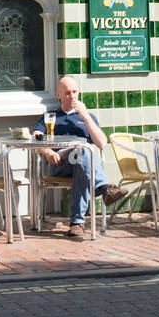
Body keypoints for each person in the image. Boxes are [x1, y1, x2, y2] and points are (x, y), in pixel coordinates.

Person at [32, 76, 127, 236]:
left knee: (83, 156)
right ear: (58, 95)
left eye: (75, 92)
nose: (72, 96)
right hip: (59, 162)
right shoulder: (50, 116)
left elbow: (102, 143)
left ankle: (77, 223)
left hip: (82, 165)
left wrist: (86, 117)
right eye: (67, 93)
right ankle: (104, 189)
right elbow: (36, 137)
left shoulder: (87, 117)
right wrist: (47, 151)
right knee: (84, 149)